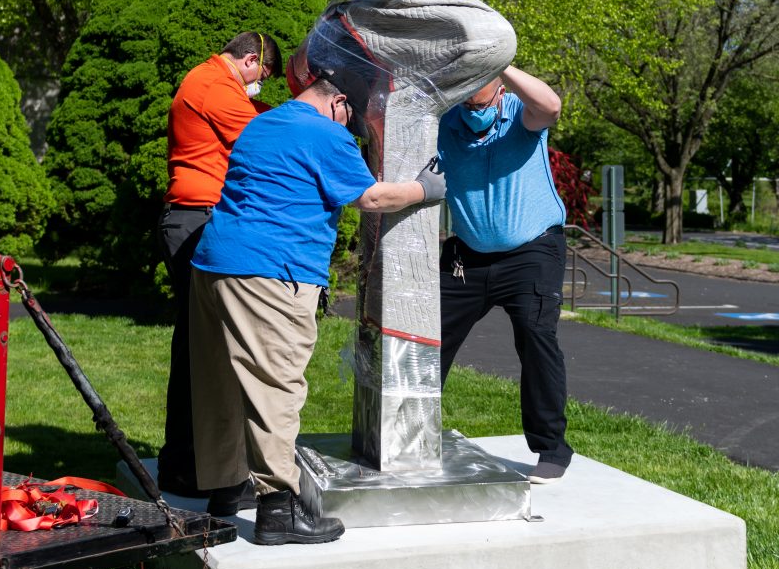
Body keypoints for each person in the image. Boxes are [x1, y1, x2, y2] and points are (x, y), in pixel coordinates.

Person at [188, 67, 443, 543]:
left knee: (221, 384)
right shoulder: (326, 133)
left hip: (213, 265)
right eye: (352, 118)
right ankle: (279, 512)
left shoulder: (261, 123)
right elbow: (372, 197)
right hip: (271, 272)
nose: (352, 128)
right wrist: (424, 190)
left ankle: (225, 494)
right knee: (275, 386)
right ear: (338, 102)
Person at [155, 31, 282, 497]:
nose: (260, 85)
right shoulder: (215, 84)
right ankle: (194, 471)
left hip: (195, 220)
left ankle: (190, 465)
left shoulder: (212, 83)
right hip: (197, 221)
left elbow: (255, 118)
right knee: (204, 353)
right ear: (250, 59)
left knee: (199, 348)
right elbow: (263, 141)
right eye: (264, 75)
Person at [435, 64, 573, 482]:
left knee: (535, 336)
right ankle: (407, 431)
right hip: (468, 256)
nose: (474, 109)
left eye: (482, 100)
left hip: (531, 251)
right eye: (467, 101)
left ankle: (551, 448)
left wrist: (499, 60)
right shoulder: (446, 123)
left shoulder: (519, 112)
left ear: (499, 87)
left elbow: (551, 106)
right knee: (425, 337)